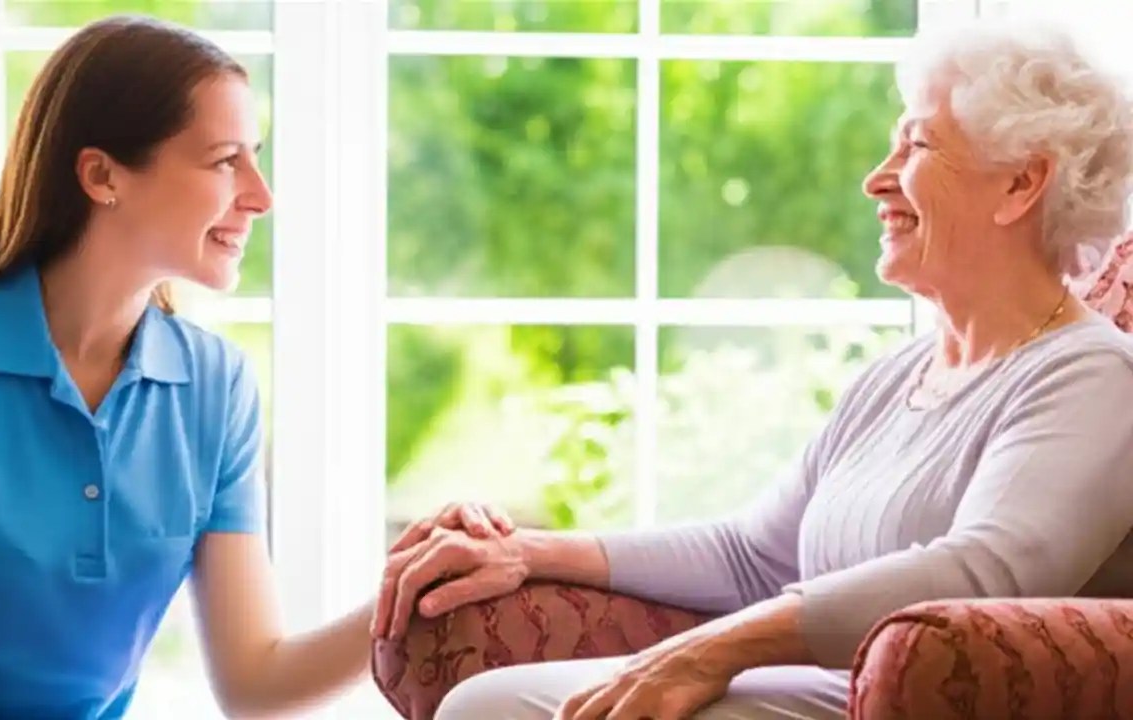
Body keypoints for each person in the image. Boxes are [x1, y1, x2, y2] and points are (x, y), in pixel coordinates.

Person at [373, 19, 1133, 720]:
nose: (877, 178)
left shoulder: (1092, 377)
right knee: (487, 702)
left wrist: (717, 647)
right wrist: (528, 552)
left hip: (891, 700)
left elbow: (983, 575)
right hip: (813, 683)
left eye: (917, 147)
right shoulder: (896, 377)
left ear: (1021, 184)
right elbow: (751, 553)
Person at [0, 15, 515, 720]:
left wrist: (408, 591)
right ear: (102, 175)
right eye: (225, 159)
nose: (261, 195)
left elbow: (255, 682)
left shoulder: (215, 388)